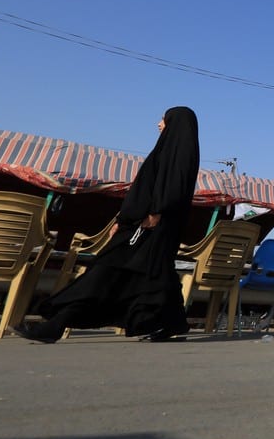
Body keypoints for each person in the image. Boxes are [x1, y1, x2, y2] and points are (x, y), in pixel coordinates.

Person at [15, 106, 200, 343]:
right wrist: (123, 219)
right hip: (149, 224)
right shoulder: (176, 151)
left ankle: (56, 324)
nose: (159, 123)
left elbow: (171, 188)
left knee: (104, 272)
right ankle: (174, 321)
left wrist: (154, 212)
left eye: (164, 119)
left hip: (148, 224)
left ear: (174, 123)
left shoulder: (176, 154)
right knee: (155, 274)